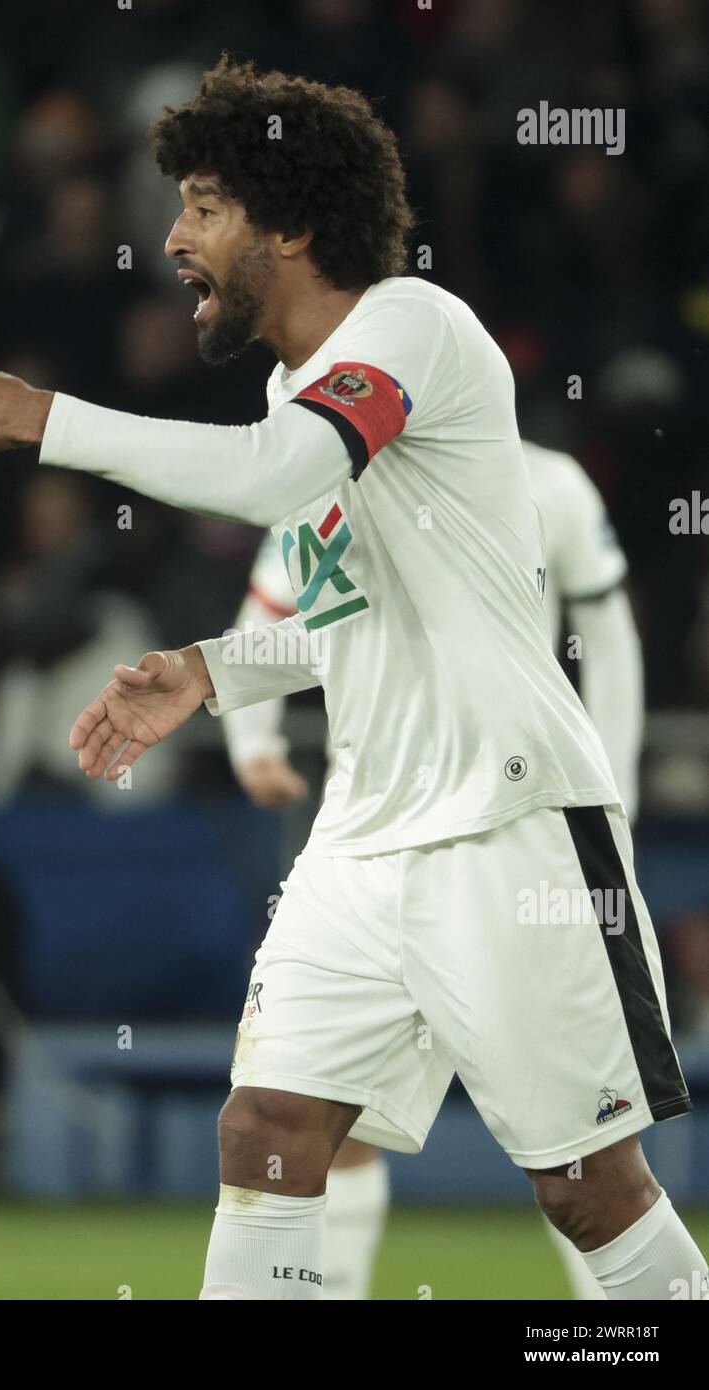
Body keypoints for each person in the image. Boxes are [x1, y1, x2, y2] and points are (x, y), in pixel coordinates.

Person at [0, 56, 705, 1302]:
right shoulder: (295, 387)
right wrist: (213, 671)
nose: (172, 240)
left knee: (587, 1191)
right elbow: (347, 615)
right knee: (267, 1131)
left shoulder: (412, 329)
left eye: (203, 206)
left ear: (293, 225)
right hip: (361, 840)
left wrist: (51, 419)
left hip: (510, 822)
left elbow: (268, 478)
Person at [222, 438, 645, 1299]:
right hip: (369, 846)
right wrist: (252, 741)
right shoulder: (322, 481)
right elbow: (279, 615)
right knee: (308, 1118)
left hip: (522, 843)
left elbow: (607, 633)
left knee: (582, 1158)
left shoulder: (547, 482)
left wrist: (614, 788)